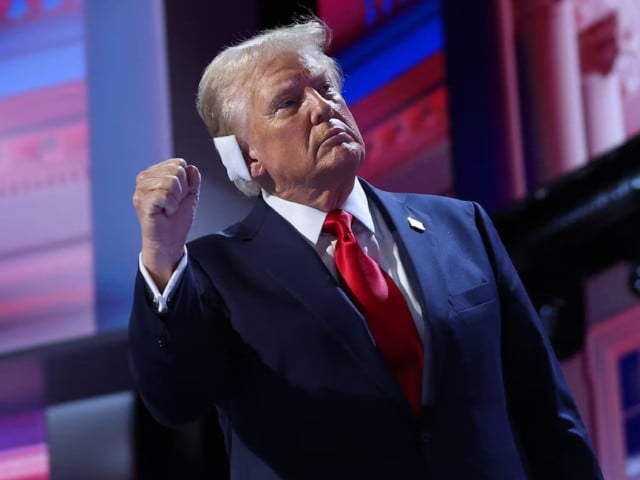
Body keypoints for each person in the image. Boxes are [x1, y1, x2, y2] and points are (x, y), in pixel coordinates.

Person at [129, 18, 604, 480]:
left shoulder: (461, 226)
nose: (321, 107)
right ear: (248, 157)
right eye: (289, 103)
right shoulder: (218, 271)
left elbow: (543, 408)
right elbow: (176, 400)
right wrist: (162, 254)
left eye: (326, 89)